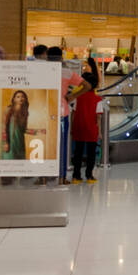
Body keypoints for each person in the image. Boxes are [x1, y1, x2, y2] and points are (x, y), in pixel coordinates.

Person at [49, 46, 83, 184]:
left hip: (46, 111)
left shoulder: (43, 72)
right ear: (61, 57)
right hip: (62, 112)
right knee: (62, 146)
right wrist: (71, 96)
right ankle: (62, 177)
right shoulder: (67, 72)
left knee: (46, 144)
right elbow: (86, 85)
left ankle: (43, 177)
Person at [70, 59, 103, 183]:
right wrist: (99, 132)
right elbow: (98, 117)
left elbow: (73, 113)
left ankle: (76, 176)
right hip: (91, 129)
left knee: (77, 153)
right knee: (91, 154)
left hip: (78, 128)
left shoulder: (77, 97)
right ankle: (89, 176)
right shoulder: (97, 99)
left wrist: (72, 128)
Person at [0, 90, 47, 160]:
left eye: (22, 97)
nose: (20, 98)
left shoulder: (25, 113)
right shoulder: (9, 110)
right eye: (18, 97)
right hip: (9, 143)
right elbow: (4, 127)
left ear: (25, 99)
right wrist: (6, 142)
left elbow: (23, 129)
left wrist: (37, 131)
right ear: (14, 99)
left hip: (20, 142)